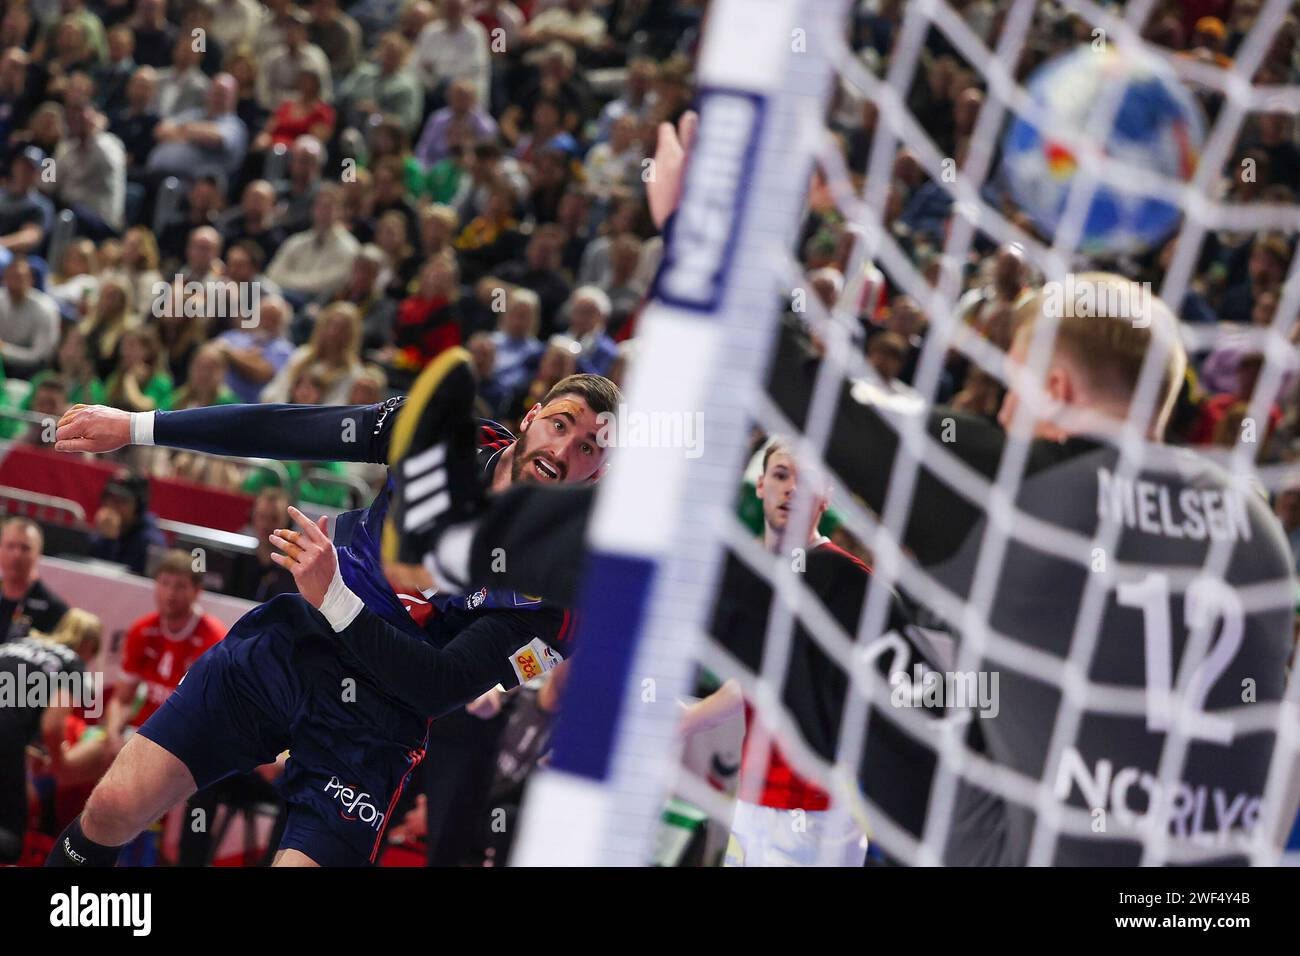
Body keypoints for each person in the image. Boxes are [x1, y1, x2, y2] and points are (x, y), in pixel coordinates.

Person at [383, 115, 1300, 865]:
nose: (1008, 405)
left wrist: (700, 229)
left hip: (1009, 841)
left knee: (779, 578)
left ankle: (458, 531)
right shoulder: (1254, 528)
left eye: (1015, 379)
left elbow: (807, 394)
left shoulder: (1036, 485)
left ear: (1058, 391)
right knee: (832, 589)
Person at [46, 366, 619, 867]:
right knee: (114, 806)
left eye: (589, 448)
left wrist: (336, 598)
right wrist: (137, 427)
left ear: (597, 474)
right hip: (291, 649)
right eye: (561, 425)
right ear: (532, 417)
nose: (564, 451)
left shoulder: (562, 595)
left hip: (376, 727)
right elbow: (291, 426)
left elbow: (439, 687)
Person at [103, 549, 226, 745]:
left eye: (179, 586)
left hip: (186, 739)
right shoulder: (142, 629)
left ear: (197, 591)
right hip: (141, 732)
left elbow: (212, 713)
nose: (170, 593)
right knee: (83, 759)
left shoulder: (213, 638)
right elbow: (122, 699)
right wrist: (113, 735)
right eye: (164, 583)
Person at [0, 517, 69, 642]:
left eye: (25, 548)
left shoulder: (54, 609)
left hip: (20, 663)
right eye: (10, 546)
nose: (17, 555)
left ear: (38, 554)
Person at [86, 472, 166, 575]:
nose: (113, 506)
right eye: (110, 498)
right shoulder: (102, 530)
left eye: (122, 501)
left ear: (138, 508)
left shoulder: (150, 543)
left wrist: (109, 542)